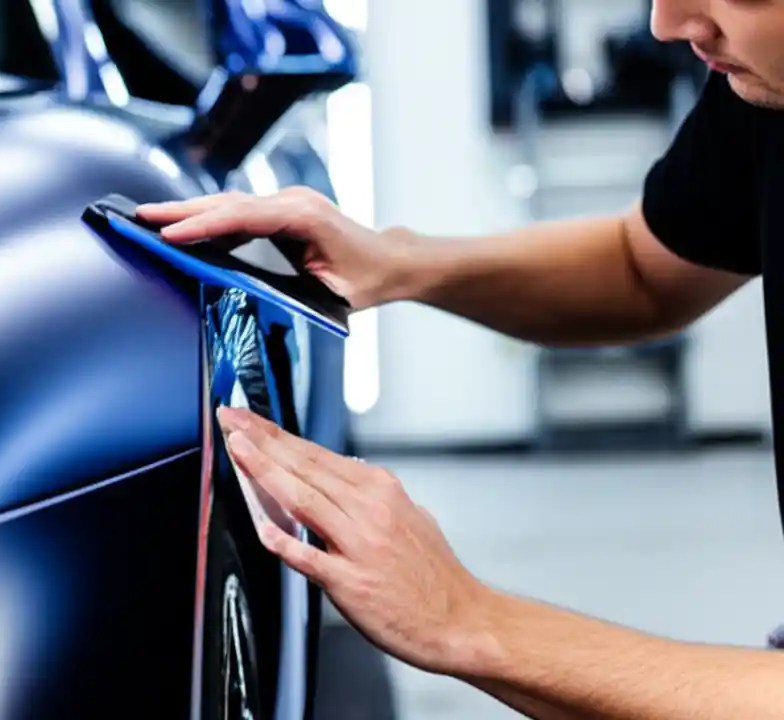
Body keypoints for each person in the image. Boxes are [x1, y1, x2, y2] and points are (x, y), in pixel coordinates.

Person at [137, 2, 784, 717]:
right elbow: (645, 267)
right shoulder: (763, 87)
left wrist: (467, 620)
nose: (667, 23)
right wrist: (395, 261)